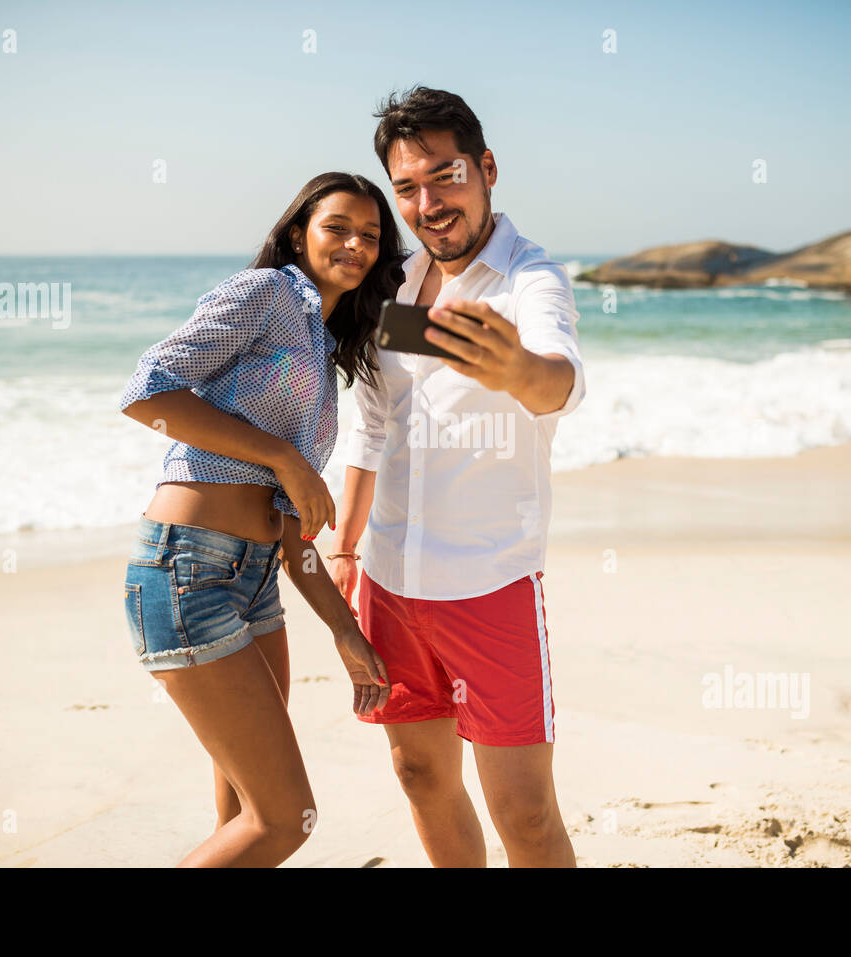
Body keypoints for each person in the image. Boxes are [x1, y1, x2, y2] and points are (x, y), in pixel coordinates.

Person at [330, 88, 586, 867]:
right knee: (417, 773)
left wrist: (516, 367)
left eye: (446, 176)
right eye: (408, 186)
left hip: (491, 583)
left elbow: (558, 381)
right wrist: (343, 547)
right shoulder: (392, 287)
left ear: (487, 169)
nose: (429, 202)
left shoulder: (527, 280)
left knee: (526, 812)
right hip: (390, 582)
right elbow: (375, 423)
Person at [119, 171, 401, 867]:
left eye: (370, 235)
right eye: (337, 227)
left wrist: (345, 628)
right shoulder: (267, 294)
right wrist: (283, 455)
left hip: (253, 583)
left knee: (247, 814)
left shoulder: (325, 342)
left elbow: (286, 527)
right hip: (187, 569)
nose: (355, 244)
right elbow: (145, 391)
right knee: (285, 820)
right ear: (299, 231)